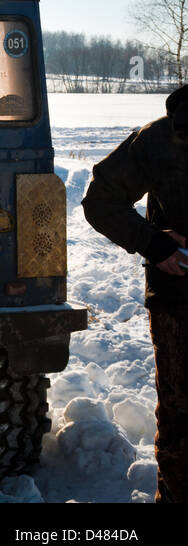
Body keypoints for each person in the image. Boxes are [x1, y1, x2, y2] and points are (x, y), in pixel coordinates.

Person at [82, 85, 188, 502]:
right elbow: (101, 200)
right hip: (180, 303)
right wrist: (155, 245)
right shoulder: (163, 137)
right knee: (183, 422)